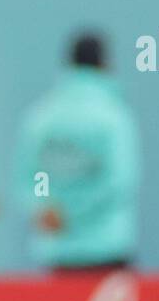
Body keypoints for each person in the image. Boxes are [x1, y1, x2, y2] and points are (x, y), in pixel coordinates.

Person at [15, 32, 141, 272]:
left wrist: (46, 206)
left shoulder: (41, 117)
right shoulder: (113, 115)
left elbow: (36, 176)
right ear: (105, 64)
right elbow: (120, 180)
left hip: (57, 249)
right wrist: (77, 212)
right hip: (107, 247)